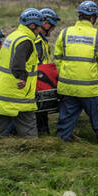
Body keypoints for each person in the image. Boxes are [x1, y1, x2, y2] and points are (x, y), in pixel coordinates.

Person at [53, 0, 98, 145]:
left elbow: (57, 59)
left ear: (79, 16)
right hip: (89, 88)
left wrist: (66, 75)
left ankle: (60, 144)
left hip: (67, 86)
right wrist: (89, 75)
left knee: (66, 120)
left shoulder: (65, 32)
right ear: (93, 18)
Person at [0, 8, 45, 141]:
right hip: (17, 92)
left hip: (3, 90)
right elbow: (17, 64)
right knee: (28, 125)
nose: (40, 30)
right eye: (39, 26)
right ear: (32, 25)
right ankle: (33, 150)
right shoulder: (26, 41)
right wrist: (22, 78)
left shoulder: (13, 36)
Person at [35, 7, 61, 135]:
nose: (53, 29)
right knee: (40, 110)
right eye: (52, 25)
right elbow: (37, 65)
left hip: (42, 80)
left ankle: (43, 133)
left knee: (42, 111)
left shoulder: (42, 40)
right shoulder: (38, 42)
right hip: (39, 81)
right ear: (45, 23)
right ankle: (42, 134)